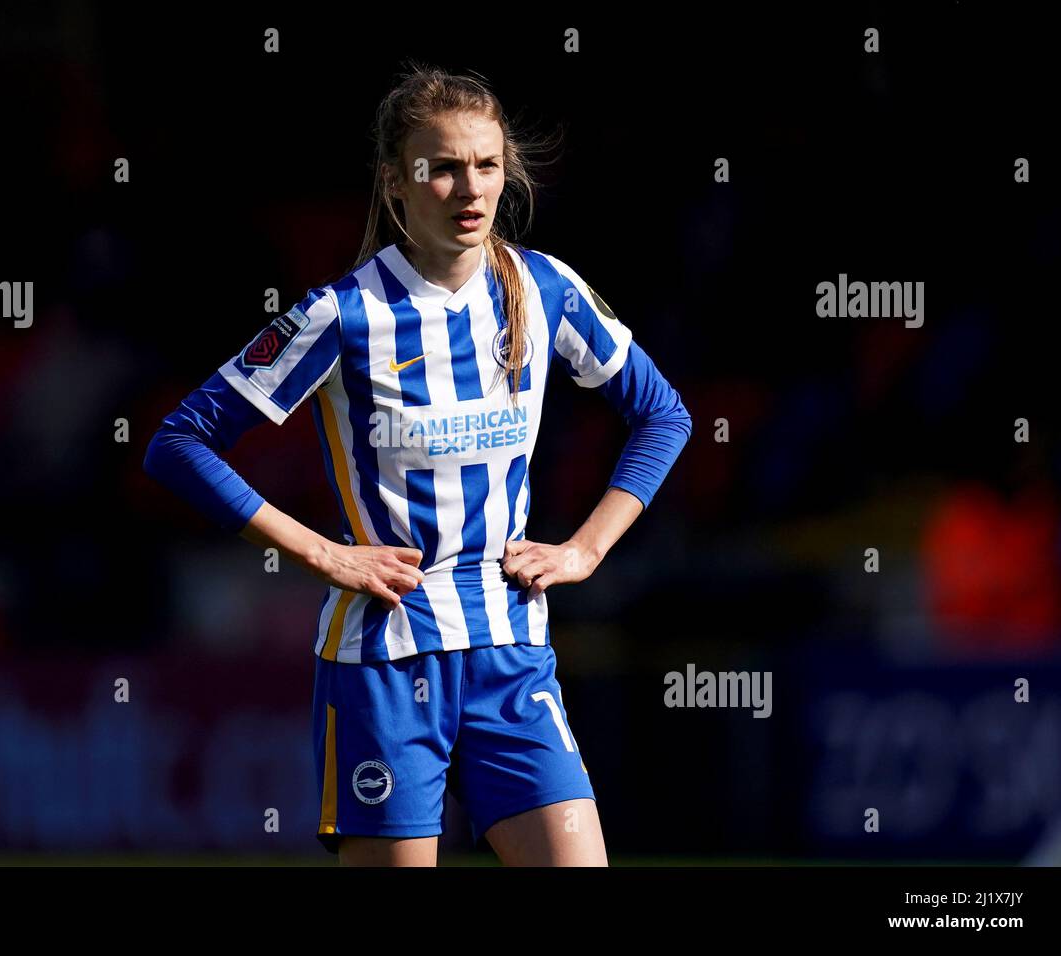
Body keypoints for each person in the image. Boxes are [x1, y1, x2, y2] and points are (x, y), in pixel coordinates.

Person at [143, 64, 691, 866]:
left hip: (512, 655)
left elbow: (664, 413)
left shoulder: (545, 290)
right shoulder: (343, 315)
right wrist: (320, 552)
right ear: (397, 183)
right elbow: (178, 443)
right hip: (385, 665)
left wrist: (585, 549)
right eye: (440, 168)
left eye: (486, 166)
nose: (468, 188)